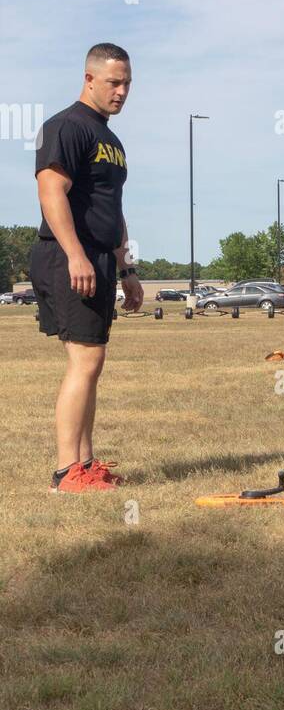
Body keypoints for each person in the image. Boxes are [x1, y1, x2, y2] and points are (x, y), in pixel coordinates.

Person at [30, 43, 143, 492]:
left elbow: (112, 209)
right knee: (85, 359)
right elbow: (51, 191)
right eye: (114, 82)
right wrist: (76, 253)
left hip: (99, 257)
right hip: (67, 256)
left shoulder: (110, 139)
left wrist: (127, 268)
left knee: (92, 361)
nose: (121, 92)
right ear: (89, 78)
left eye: (128, 84)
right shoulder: (66, 126)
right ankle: (65, 472)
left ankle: (86, 463)